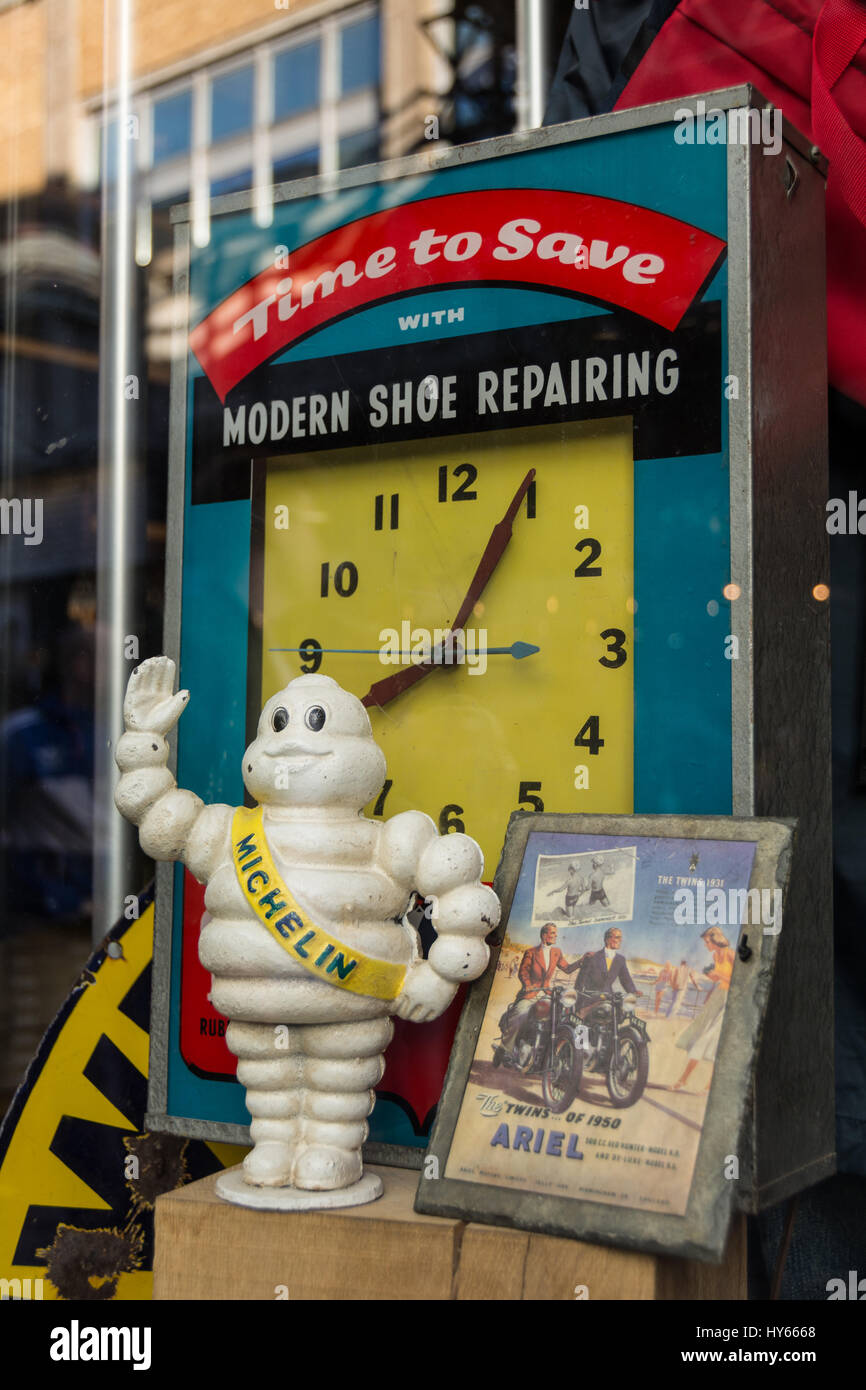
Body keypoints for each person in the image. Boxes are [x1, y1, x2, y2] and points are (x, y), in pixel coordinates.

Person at [499, 923, 581, 1050]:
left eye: (556, 933)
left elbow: (567, 968)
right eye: (553, 933)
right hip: (531, 993)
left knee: (560, 1013)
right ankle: (506, 1048)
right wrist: (528, 985)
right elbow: (523, 972)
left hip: (547, 994)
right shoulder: (531, 952)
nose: (556, 935)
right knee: (521, 1013)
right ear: (544, 935)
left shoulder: (556, 952)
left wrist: (581, 961)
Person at [672, 928, 735, 1092]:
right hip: (718, 995)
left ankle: (701, 1083)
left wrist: (719, 976)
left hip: (730, 998)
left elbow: (738, 980)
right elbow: (718, 979)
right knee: (699, 1034)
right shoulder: (715, 956)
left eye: (707, 942)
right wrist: (711, 989)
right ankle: (684, 1080)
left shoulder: (731, 954)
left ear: (716, 940)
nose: (706, 945)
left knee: (712, 1039)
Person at [577, 926, 638, 996]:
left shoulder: (620, 959)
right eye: (617, 937)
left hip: (609, 998)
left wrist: (633, 992)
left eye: (620, 938)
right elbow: (580, 982)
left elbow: (626, 979)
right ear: (607, 939)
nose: (620, 940)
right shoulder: (591, 957)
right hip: (591, 998)